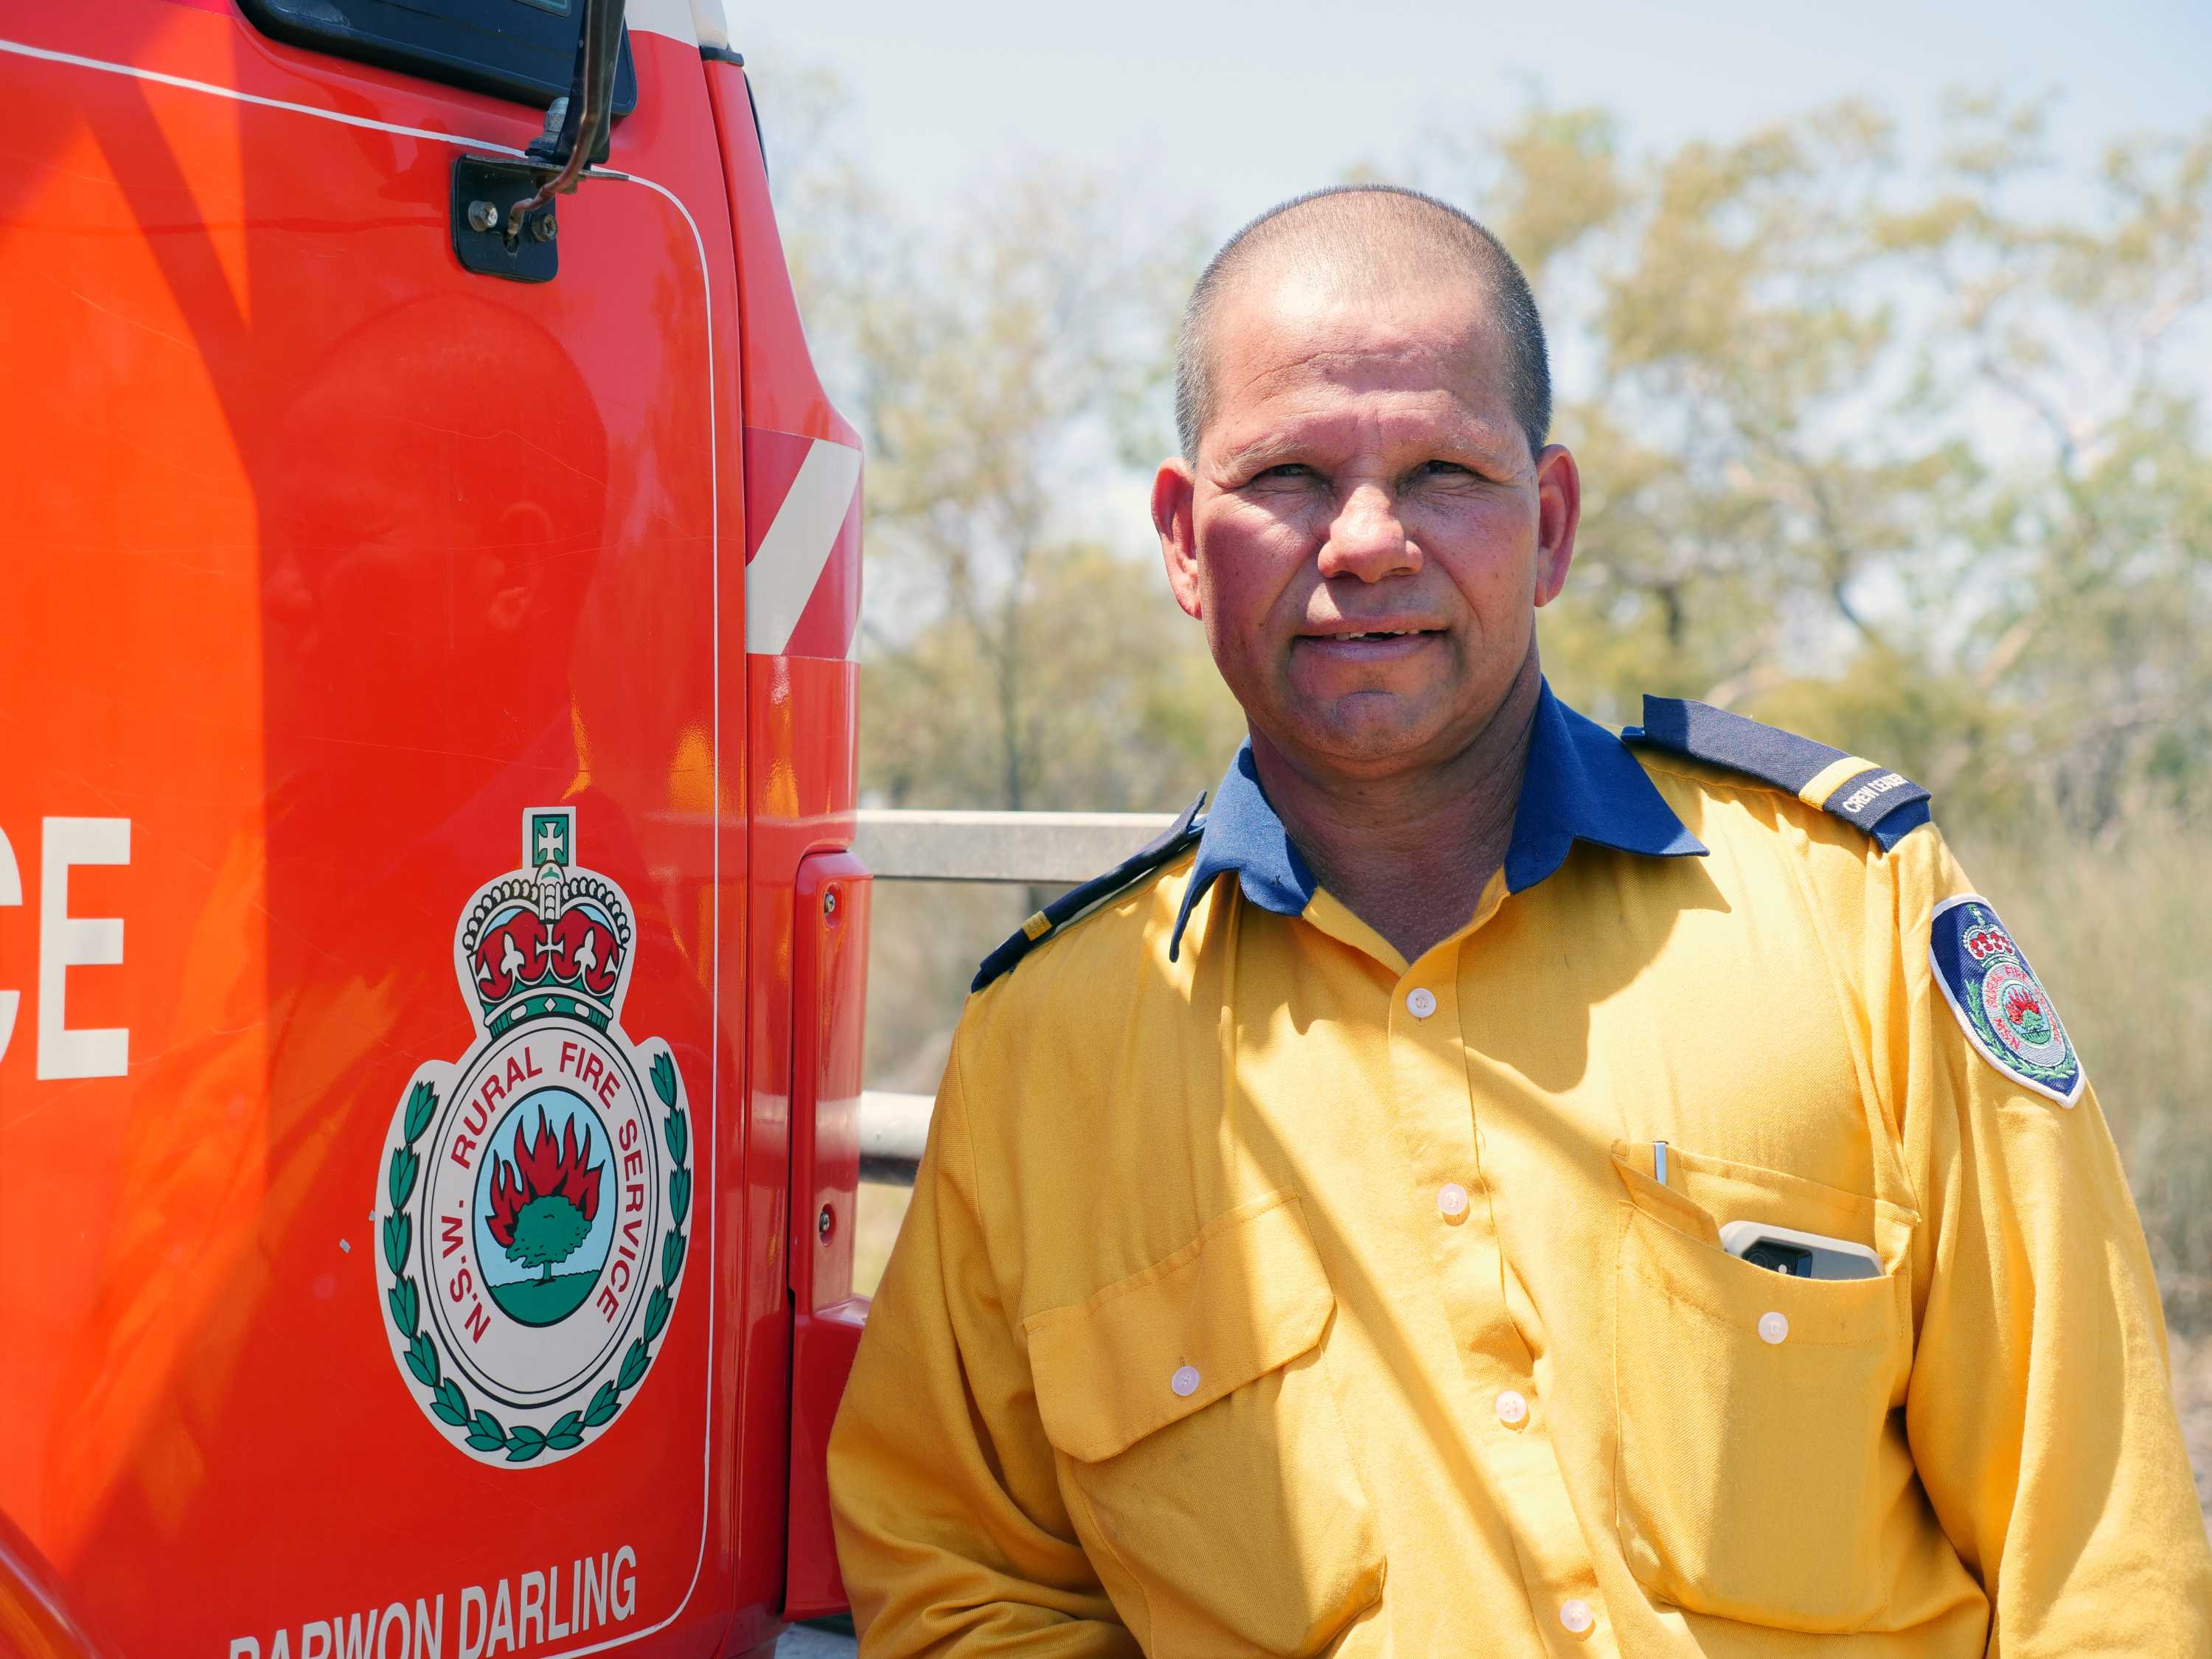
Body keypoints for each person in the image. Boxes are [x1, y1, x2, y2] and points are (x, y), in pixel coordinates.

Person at [827, 185, 2212, 1655]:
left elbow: (2097, 1550)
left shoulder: (1850, 920)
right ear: (1184, 540)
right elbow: (963, 1581)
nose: (1364, 540)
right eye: (1289, 474)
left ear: (1547, 526)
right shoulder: (1051, 1052)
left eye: (1441, 470)